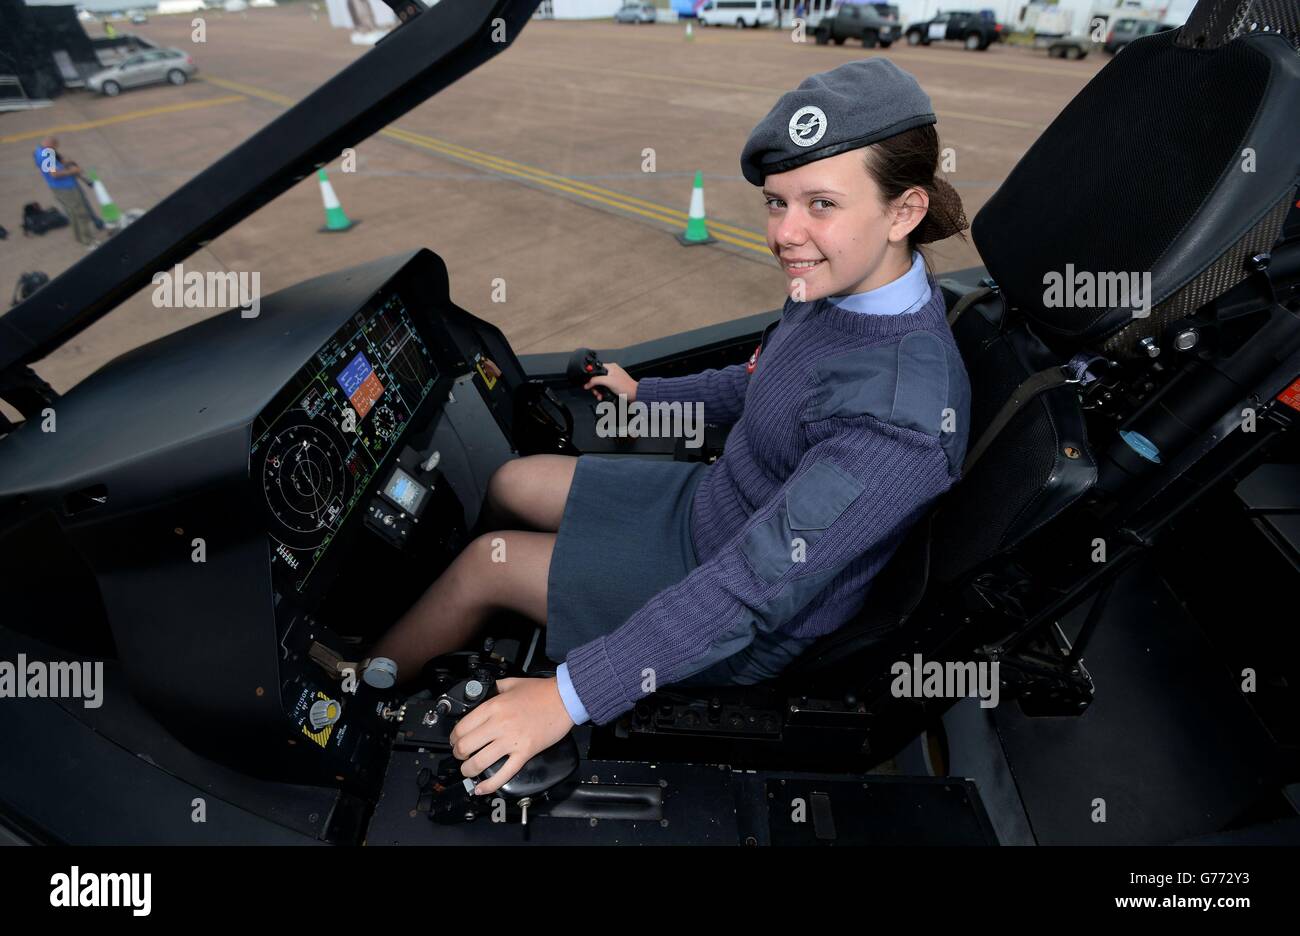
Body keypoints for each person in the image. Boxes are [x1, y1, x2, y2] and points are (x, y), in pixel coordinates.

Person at [365, 59, 972, 796]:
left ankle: (364, 707)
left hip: (738, 608)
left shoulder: (900, 414)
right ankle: (479, 621)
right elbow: (755, 382)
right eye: (776, 203)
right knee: (511, 479)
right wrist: (644, 393)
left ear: (904, 211)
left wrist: (568, 696)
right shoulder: (840, 284)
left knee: (488, 563)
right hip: (708, 508)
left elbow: (753, 587)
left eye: (820, 204)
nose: (786, 234)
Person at [33, 136, 102, 249]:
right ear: (51, 145)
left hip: (58, 189)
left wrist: (63, 164)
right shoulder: (48, 154)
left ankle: (79, 237)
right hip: (66, 188)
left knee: (72, 214)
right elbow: (54, 174)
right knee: (81, 214)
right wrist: (73, 171)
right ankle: (88, 241)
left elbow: (50, 168)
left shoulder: (38, 150)